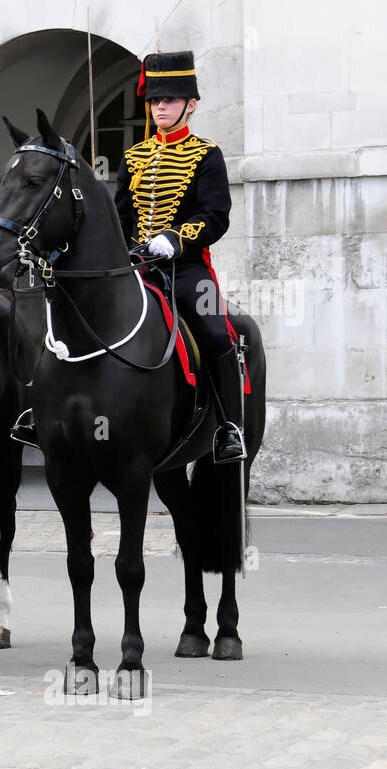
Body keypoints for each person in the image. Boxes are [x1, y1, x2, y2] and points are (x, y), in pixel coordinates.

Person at [115, 50, 245, 462]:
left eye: (169, 100)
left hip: (187, 266)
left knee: (215, 331)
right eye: (155, 101)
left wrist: (176, 237)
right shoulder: (134, 157)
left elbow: (215, 216)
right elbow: (119, 218)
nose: (160, 108)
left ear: (190, 104)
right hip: (137, 268)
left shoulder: (206, 154)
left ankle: (229, 427)